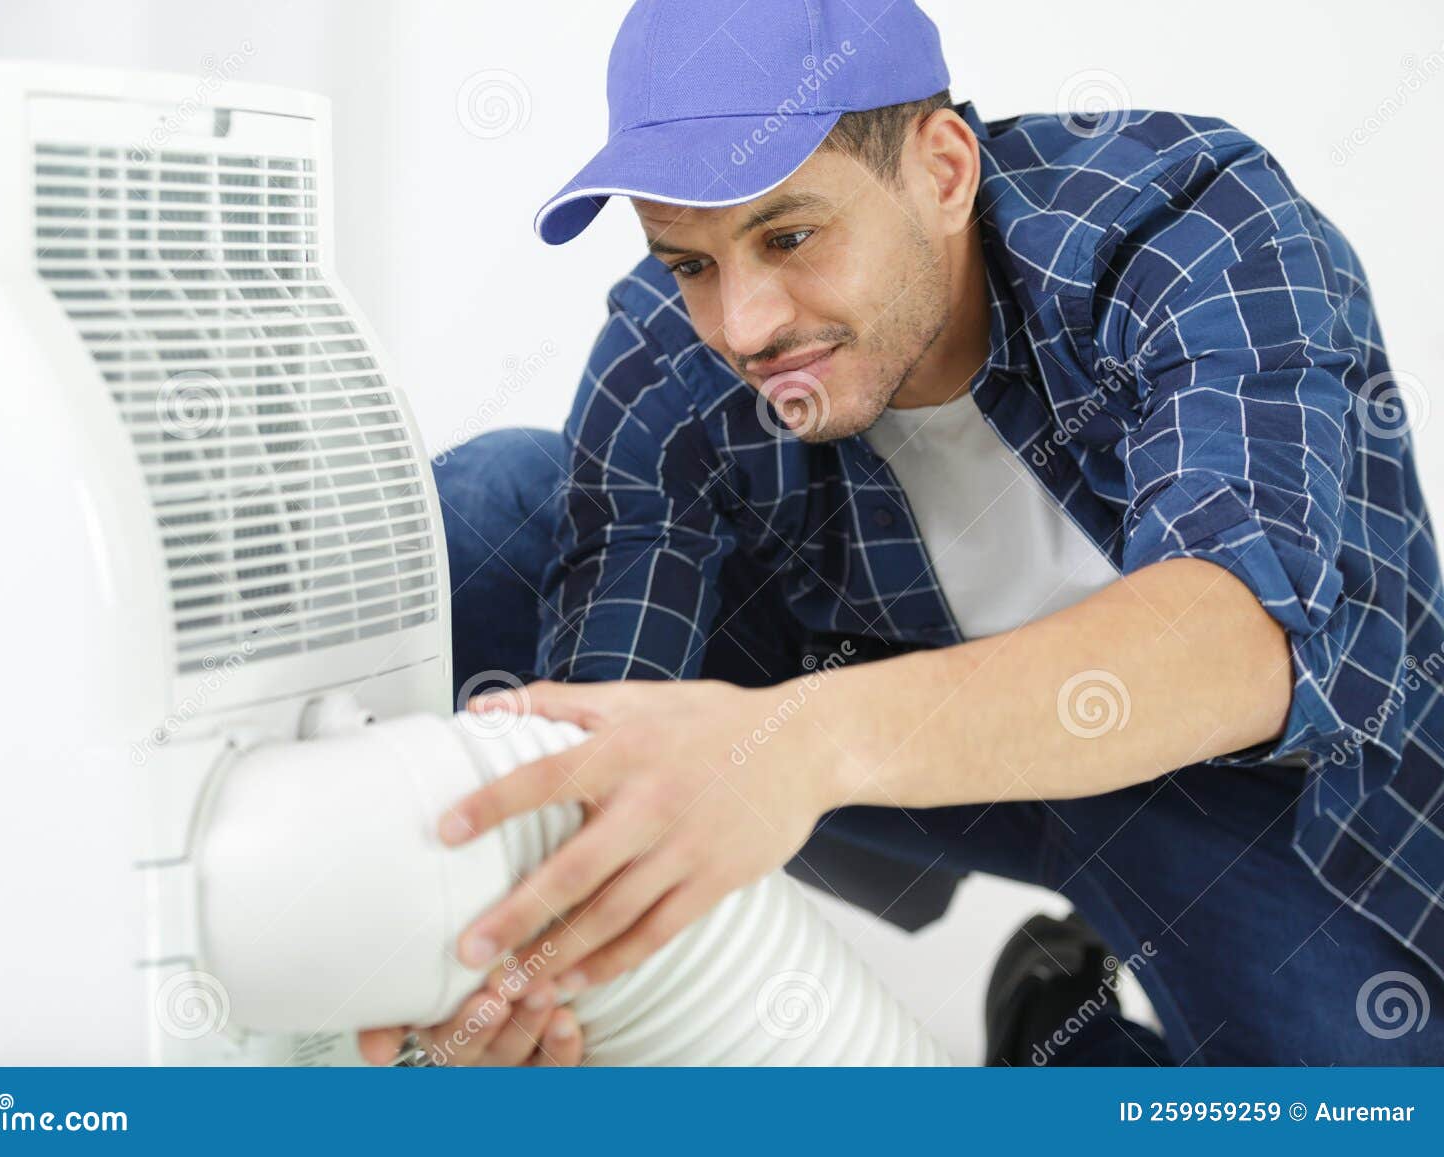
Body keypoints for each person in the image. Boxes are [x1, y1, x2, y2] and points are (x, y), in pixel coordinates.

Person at [361, 0, 1444, 1066]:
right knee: (500, 504)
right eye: (691, 261)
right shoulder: (667, 354)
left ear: (940, 171)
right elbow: (605, 730)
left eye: (789, 234)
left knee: (1343, 1108)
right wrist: (527, 966)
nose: (744, 326)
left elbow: (1238, 641)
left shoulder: (1184, 224)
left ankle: (1067, 1042)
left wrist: (803, 743)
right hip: (908, 739)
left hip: (1248, 778)